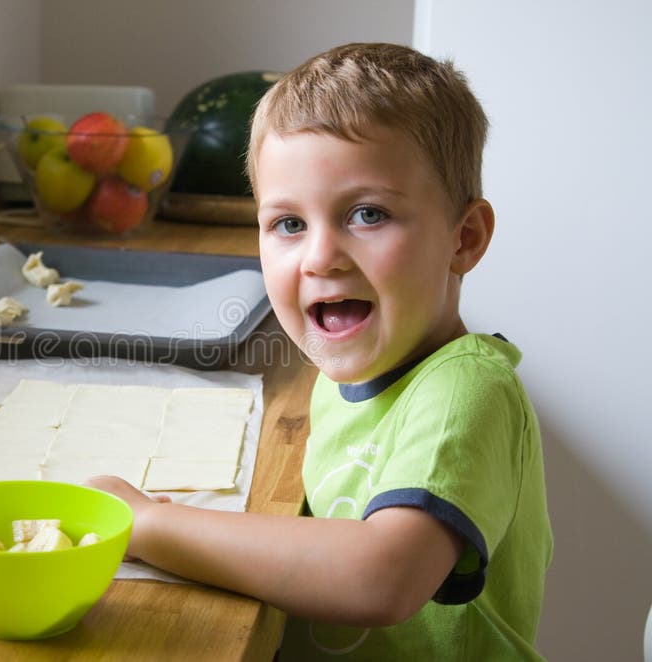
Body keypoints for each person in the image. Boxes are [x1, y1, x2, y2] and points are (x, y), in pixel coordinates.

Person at [87, 42, 552, 660]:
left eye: (366, 214)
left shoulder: (467, 393)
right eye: (289, 224)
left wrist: (152, 525)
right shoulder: (349, 369)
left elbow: (380, 577)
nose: (319, 256)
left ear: (463, 239)